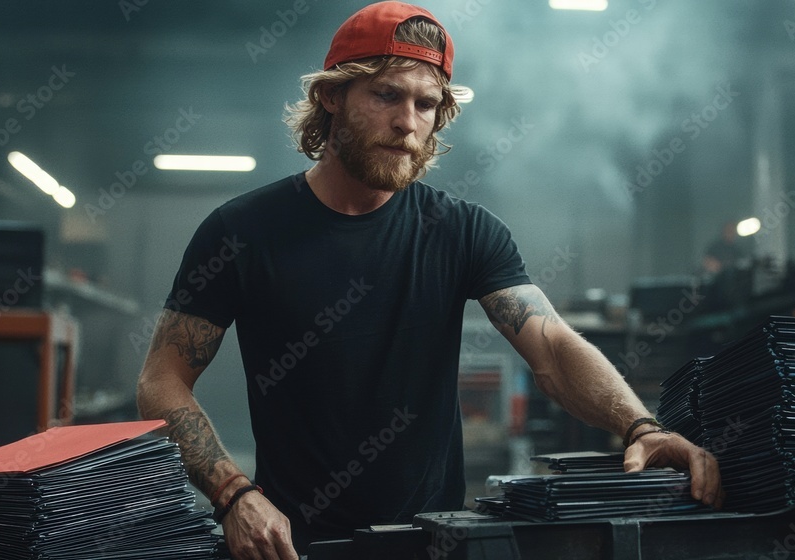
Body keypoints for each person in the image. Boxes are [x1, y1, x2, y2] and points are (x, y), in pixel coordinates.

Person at [136, 3, 723, 558]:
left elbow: (551, 347)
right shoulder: (240, 232)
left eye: (425, 104)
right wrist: (235, 495)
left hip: (434, 542)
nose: (407, 123)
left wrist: (640, 424)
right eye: (386, 95)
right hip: (290, 544)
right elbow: (162, 381)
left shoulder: (464, 232)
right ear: (332, 97)